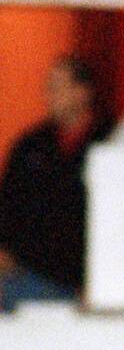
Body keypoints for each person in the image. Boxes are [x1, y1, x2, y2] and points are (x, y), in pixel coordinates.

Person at [0, 57, 113, 311]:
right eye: (49, 87)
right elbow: (8, 206)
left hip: (86, 282)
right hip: (27, 276)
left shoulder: (111, 143)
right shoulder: (30, 147)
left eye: (57, 87)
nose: (49, 95)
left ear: (83, 92)